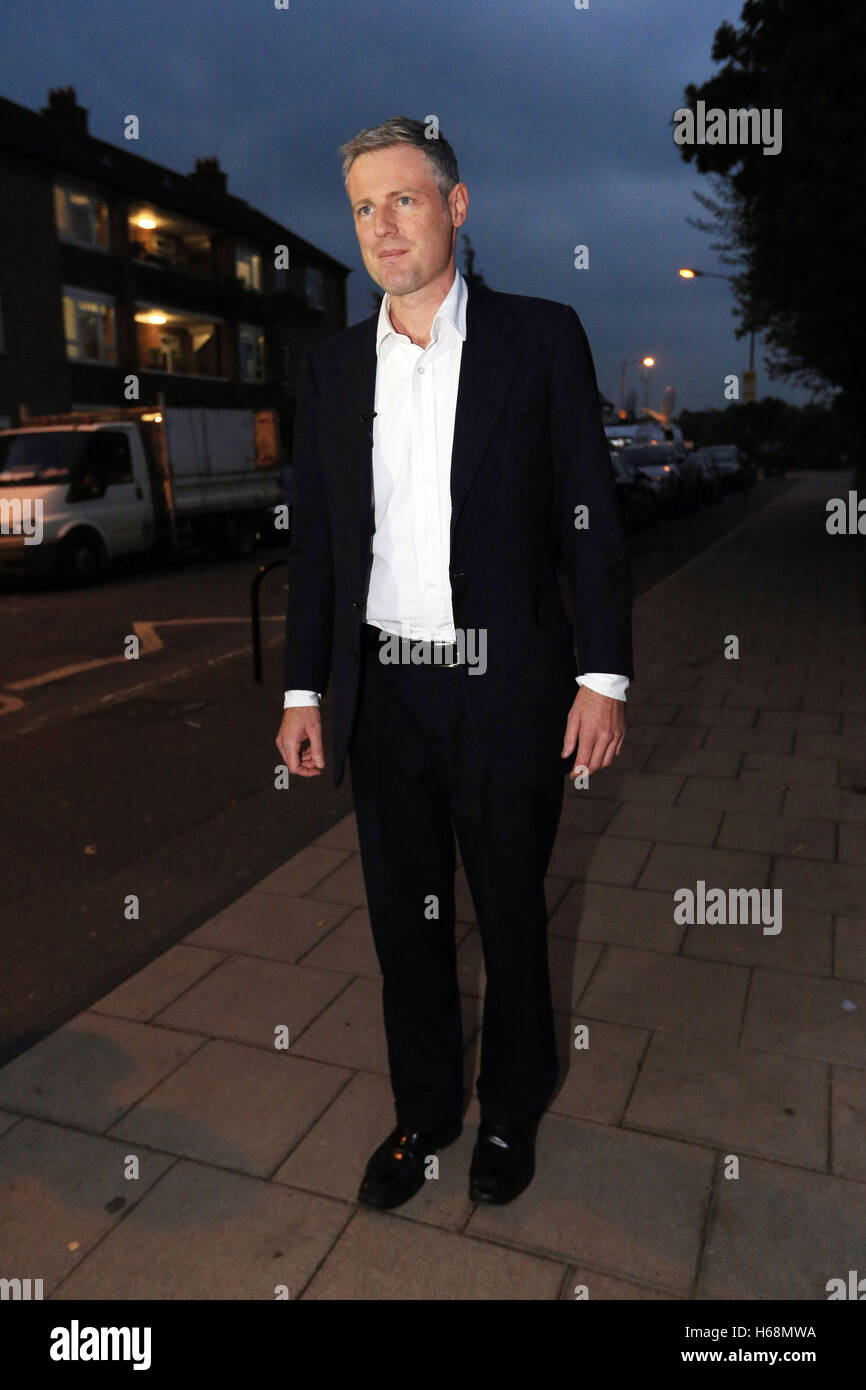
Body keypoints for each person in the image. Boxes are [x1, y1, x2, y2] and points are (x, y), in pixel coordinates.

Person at [276, 116, 633, 1209]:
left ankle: (509, 1111)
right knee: (404, 920)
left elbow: (591, 520)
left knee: (512, 916)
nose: (382, 227)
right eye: (362, 209)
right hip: (387, 692)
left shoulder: (540, 337)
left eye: (403, 200)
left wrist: (602, 675)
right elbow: (320, 543)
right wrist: (302, 688)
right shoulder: (332, 368)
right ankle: (425, 1111)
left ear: (456, 206)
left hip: (509, 685)